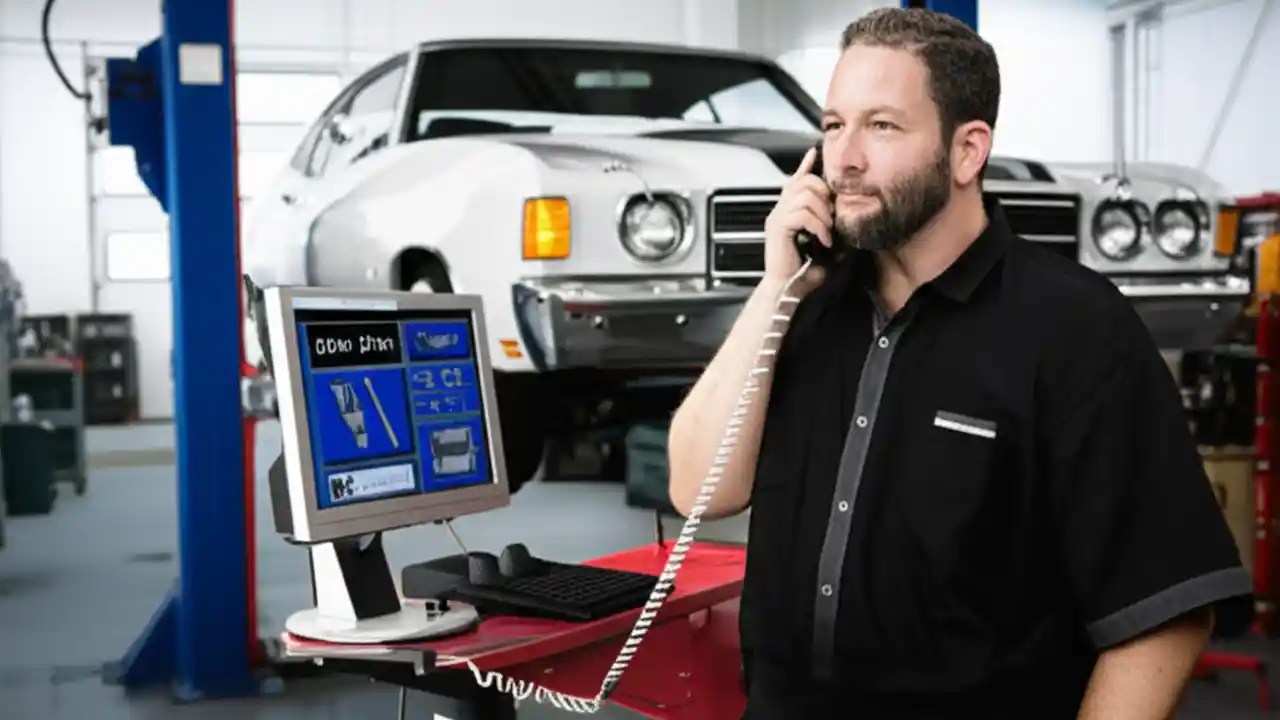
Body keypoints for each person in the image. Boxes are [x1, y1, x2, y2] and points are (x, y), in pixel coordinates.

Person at [666, 7, 1253, 719]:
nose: (844, 158)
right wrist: (774, 290)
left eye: (882, 127)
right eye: (833, 125)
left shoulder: (1075, 327)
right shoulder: (803, 305)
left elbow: (1166, 612)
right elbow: (698, 491)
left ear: (968, 150)